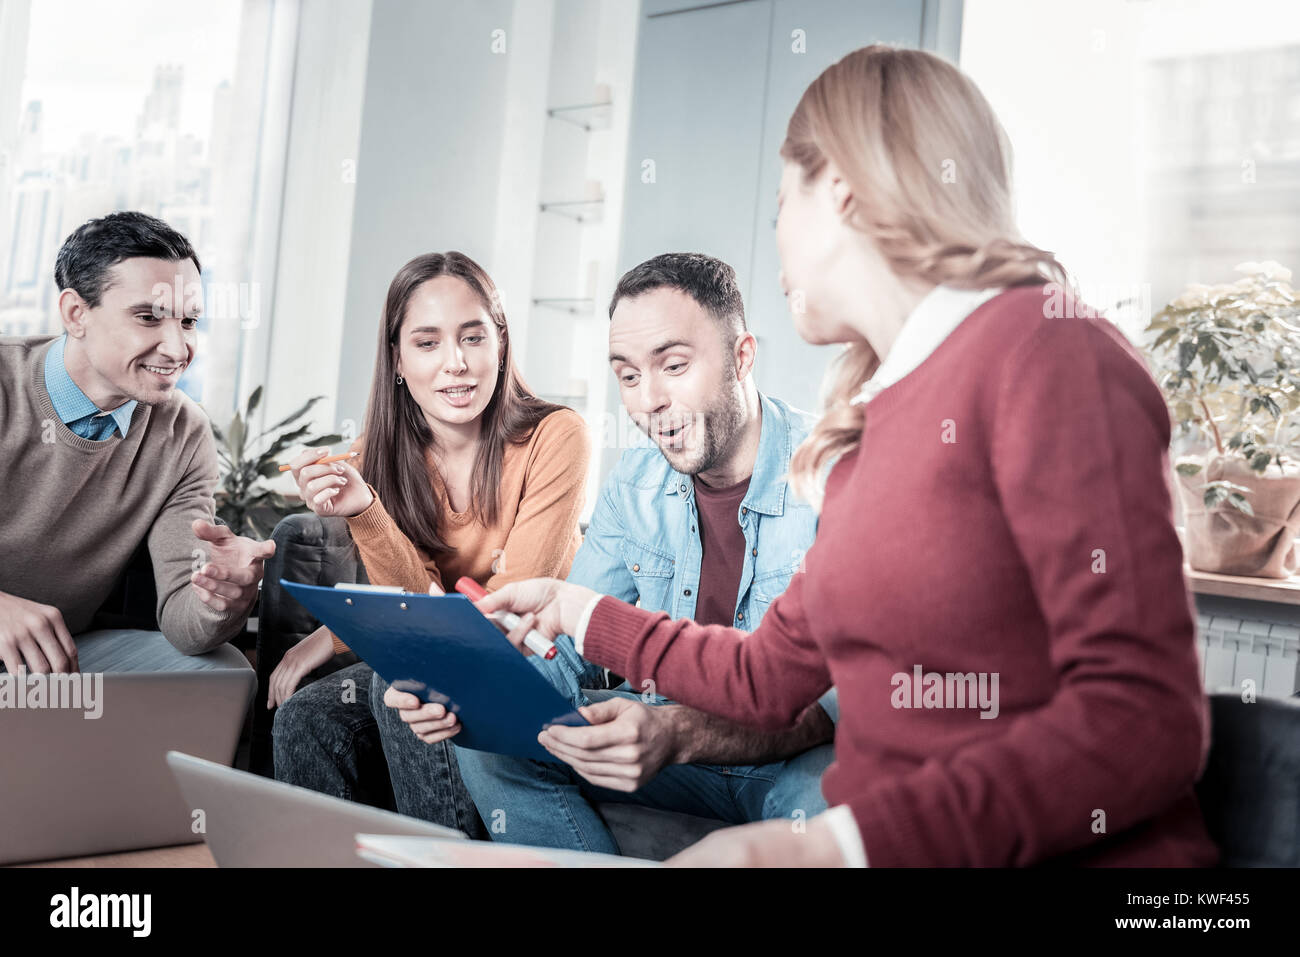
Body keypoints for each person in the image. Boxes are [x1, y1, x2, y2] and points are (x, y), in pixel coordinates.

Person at [471, 45, 1220, 867]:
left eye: (781, 202)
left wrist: (828, 846)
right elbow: (766, 674)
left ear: (842, 191)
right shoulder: (872, 426)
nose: (778, 236)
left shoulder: (1049, 352)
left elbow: (1142, 722)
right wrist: (575, 609)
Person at [444, 253, 835, 853]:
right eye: (627, 376)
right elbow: (565, 648)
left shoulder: (833, 477)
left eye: (673, 365)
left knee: (830, 801)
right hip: (671, 739)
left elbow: (833, 704)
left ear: (742, 356)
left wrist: (680, 729)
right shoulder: (635, 483)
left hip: (797, 756)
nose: (648, 400)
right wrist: (461, 688)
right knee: (491, 744)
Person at [269, 251, 590, 835]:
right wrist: (250, 555)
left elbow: (504, 616)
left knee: (409, 684)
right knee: (306, 720)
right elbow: (408, 603)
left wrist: (338, 631)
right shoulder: (380, 454)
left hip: (529, 658)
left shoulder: (556, 435)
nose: (457, 365)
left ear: (501, 343)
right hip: (439, 649)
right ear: (397, 359)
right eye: (427, 343)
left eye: (473, 338)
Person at [0, 211, 271, 677]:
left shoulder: (183, 433)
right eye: (148, 317)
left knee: (219, 670)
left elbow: (186, 626)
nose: (177, 348)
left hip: (51, 664)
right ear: (75, 313)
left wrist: (222, 597)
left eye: (188, 322)